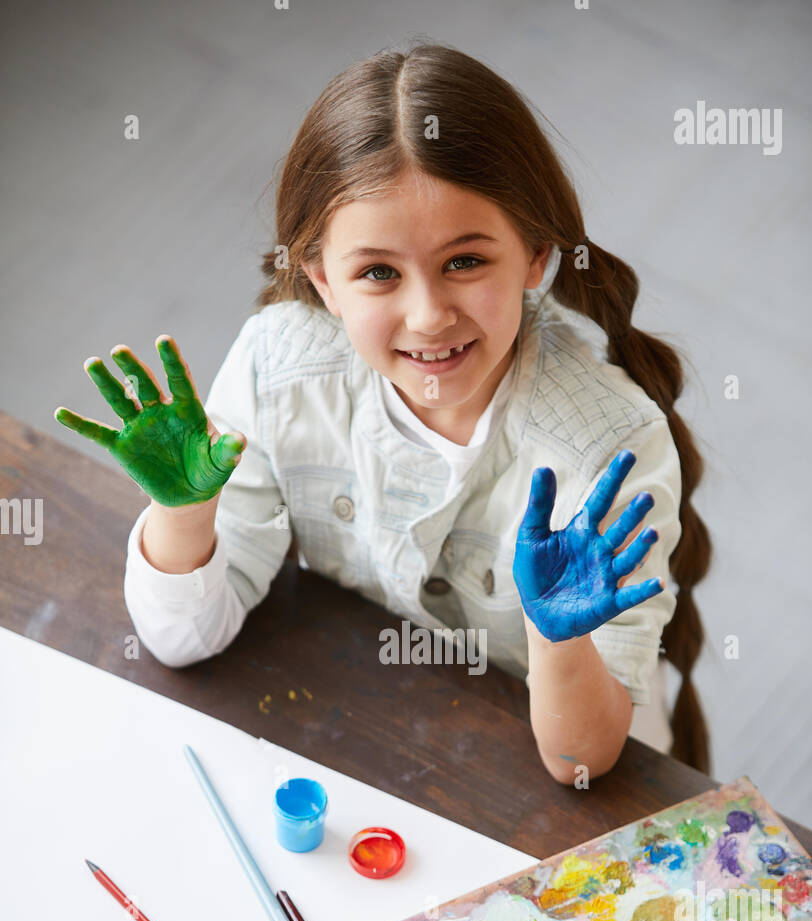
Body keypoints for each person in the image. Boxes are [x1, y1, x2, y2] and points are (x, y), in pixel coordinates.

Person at [55, 42, 711, 781]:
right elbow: (180, 642)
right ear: (321, 279)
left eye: (465, 261)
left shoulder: (608, 446)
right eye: (377, 273)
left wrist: (555, 640)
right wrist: (181, 514)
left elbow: (579, 766)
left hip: (570, 739)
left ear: (534, 253)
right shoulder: (278, 369)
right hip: (383, 727)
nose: (429, 316)